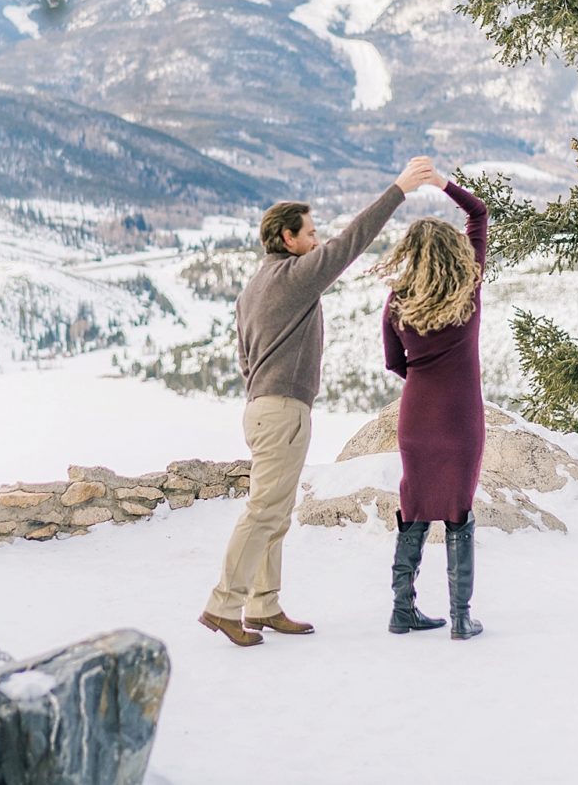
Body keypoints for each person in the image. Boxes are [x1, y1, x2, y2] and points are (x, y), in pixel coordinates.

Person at [199, 157, 435, 647]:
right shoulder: (296, 277)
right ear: (287, 239)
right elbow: (352, 243)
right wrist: (399, 189)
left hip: (261, 407)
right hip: (282, 409)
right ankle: (224, 605)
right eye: (308, 232)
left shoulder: (252, 289)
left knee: (275, 512)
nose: (316, 239)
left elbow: (245, 358)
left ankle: (263, 606)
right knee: (265, 510)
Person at [373, 170, 489, 641]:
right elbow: (478, 214)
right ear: (453, 253)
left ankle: (404, 611)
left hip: (416, 416)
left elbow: (393, 361)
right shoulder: (470, 289)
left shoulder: (398, 300)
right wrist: (442, 183)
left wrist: (422, 377)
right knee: (458, 508)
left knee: (414, 504)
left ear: (410, 255)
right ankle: (461, 619)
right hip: (460, 415)